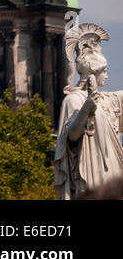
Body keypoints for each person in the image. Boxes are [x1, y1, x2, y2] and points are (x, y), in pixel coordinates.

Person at [53, 22, 123, 199]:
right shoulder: (73, 100)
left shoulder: (109, 100)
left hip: (113, 170)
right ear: (93, 72)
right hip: (90, 171)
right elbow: (71, 136)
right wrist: (86, 109)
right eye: (104, 71)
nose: (107, 76)